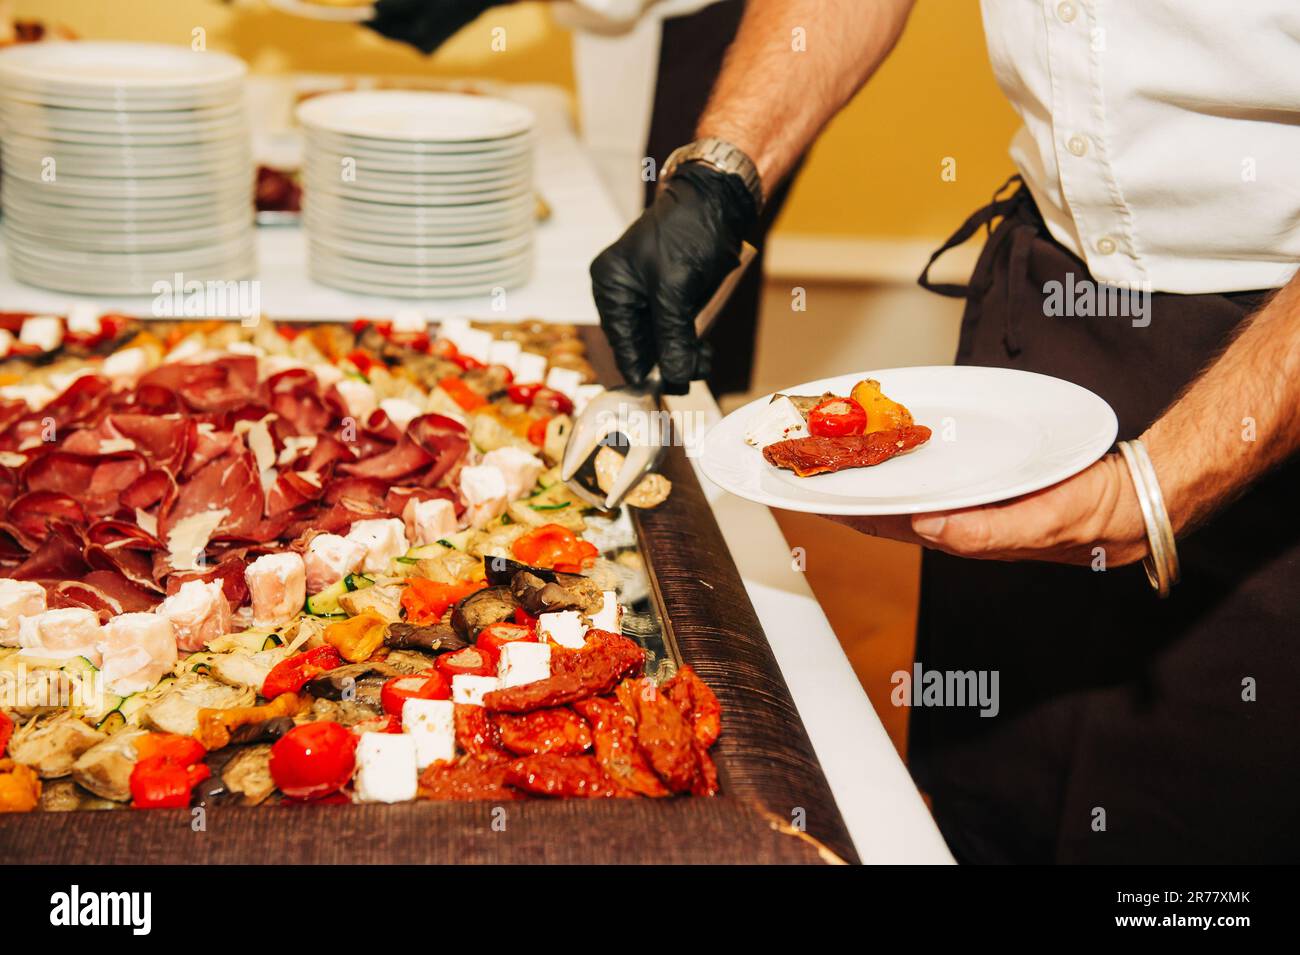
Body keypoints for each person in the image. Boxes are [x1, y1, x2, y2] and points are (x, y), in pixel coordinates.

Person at [589, 0, 1300, 863]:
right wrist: (722, 174)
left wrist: (1154, 485)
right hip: (1045, 318)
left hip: (1275, 367)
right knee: (983, 804)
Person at [363, 0, 797, 395]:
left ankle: (679, 445)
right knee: (655, 289)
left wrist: (714, 184)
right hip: (661, 35)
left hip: (731, 41)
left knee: (680, 295)